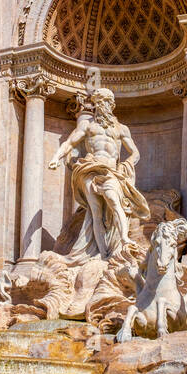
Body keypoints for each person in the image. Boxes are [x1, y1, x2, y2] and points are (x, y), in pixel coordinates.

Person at [48, 89, 150, 262]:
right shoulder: (87, 126)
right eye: (99, 102)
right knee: (95, 212)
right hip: (89, 168)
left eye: (105, 101)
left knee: (114, 201)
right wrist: (56, 157)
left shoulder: (121, 129)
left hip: (111, 171)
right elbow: (70, 142)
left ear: (112, 105)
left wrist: (126, 165)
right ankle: (104, 254)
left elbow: (135, 153)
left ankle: (124, 239)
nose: (102, 105)